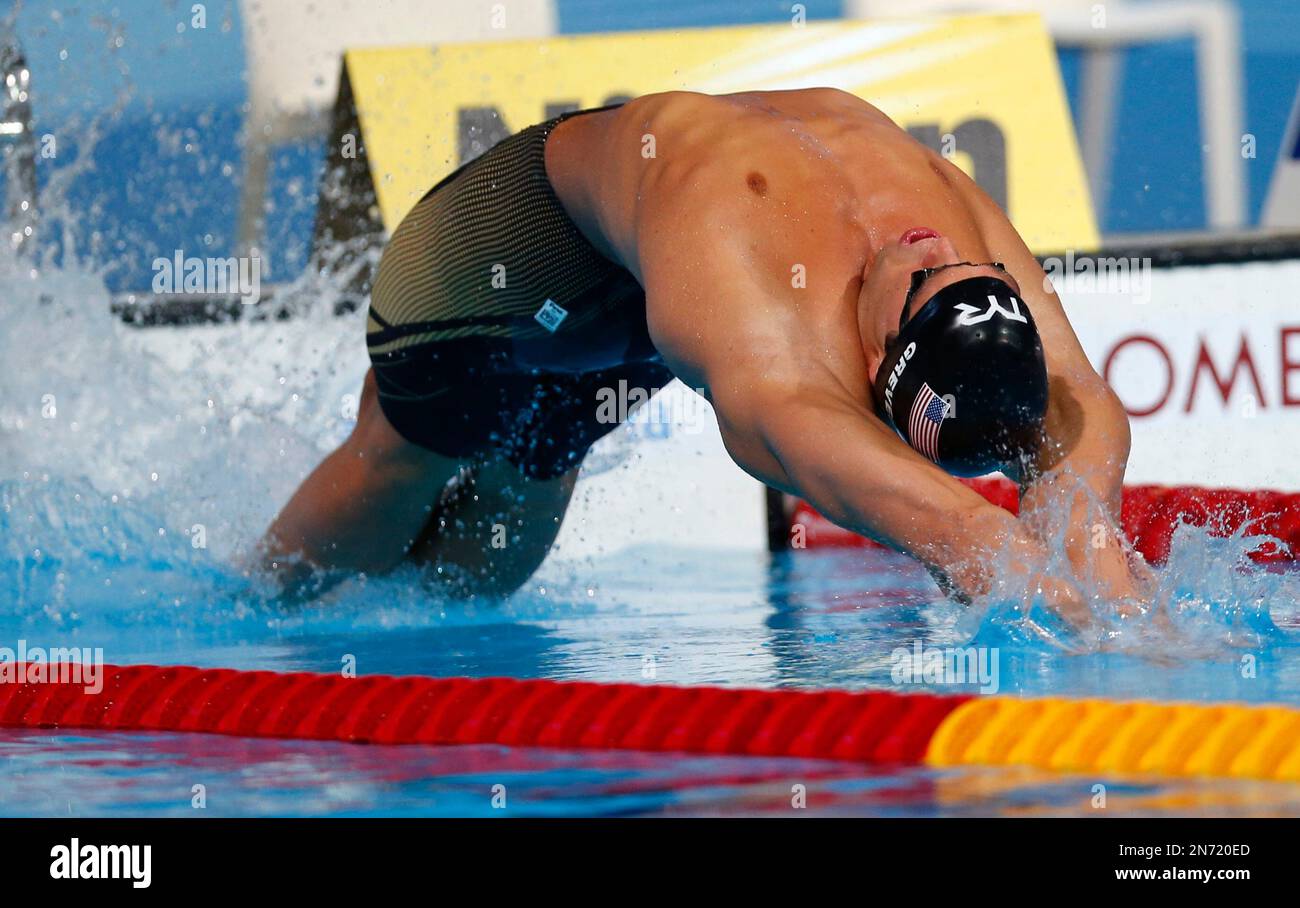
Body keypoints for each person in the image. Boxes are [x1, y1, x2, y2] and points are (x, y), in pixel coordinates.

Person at [260, 89, 1146, 617]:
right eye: (963, 270)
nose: (927, 248)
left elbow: (1073, 406)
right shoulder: (779, 315)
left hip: (648, 291)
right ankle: (258, 610)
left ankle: (401, 672)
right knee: (409, 452)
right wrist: (994, 546)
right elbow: (812, 443)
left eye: (927, 281)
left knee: (525, 489)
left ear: (880, 359)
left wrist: (1101, 560)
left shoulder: (785, 323)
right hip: (511, 253)